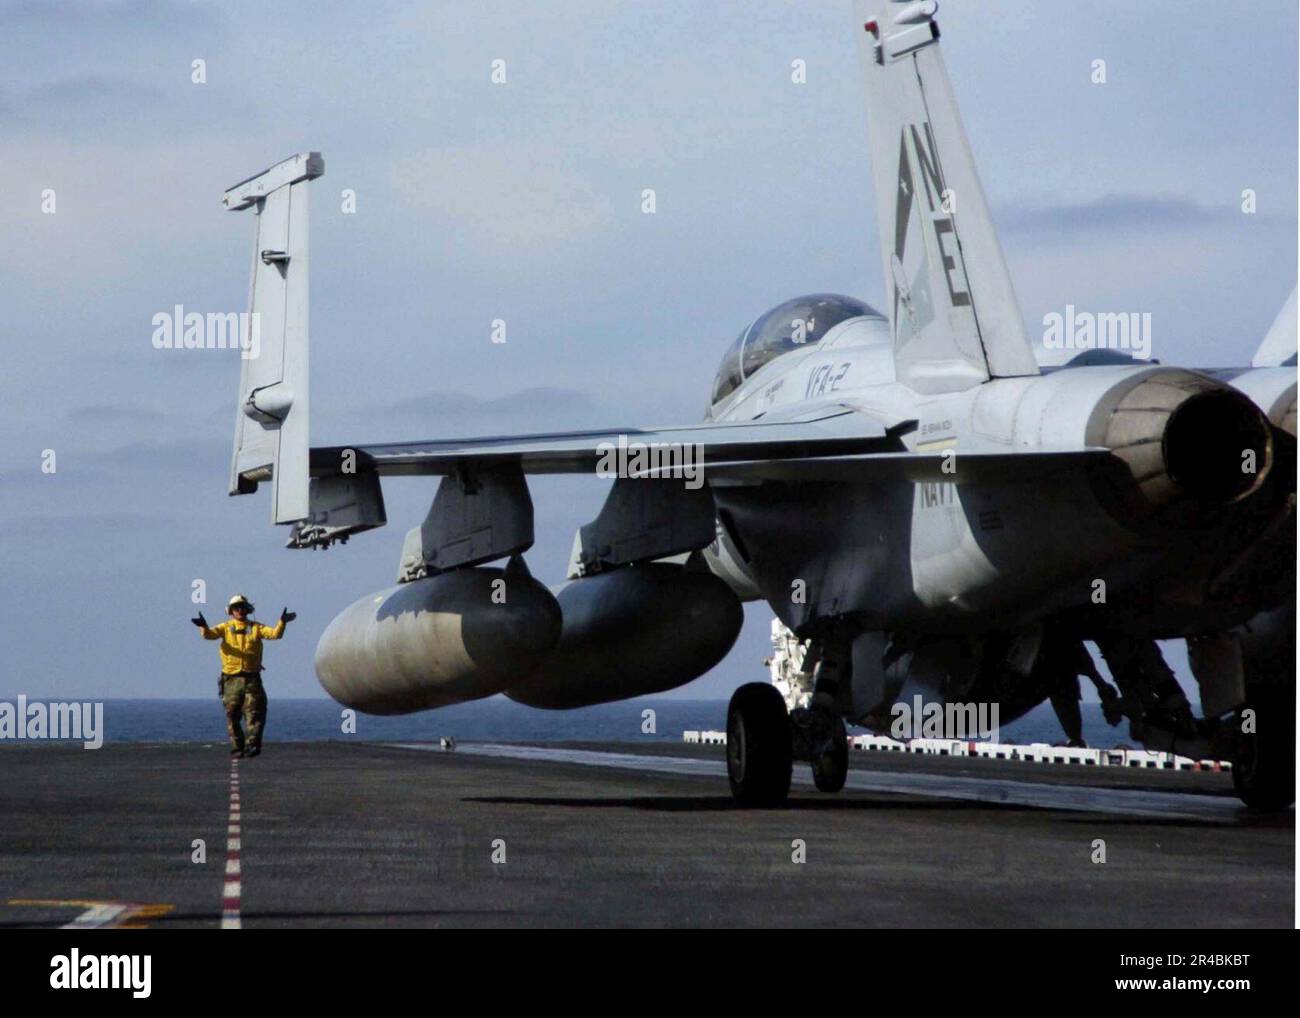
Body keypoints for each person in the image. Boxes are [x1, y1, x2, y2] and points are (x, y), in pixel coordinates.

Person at [192, 595, 295, 757]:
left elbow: (275, 634)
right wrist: (203, 626)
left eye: (242, 607)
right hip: (231, 679)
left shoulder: (256, 628)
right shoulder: (225, 627)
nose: (239, 610)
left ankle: (252, 745)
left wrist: (282, 622)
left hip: (251, 678)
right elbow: (209, 635)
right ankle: (237, 747)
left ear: (247, 609)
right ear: (231, 611)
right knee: (232, 714)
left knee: (255, 713)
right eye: (236, 607)